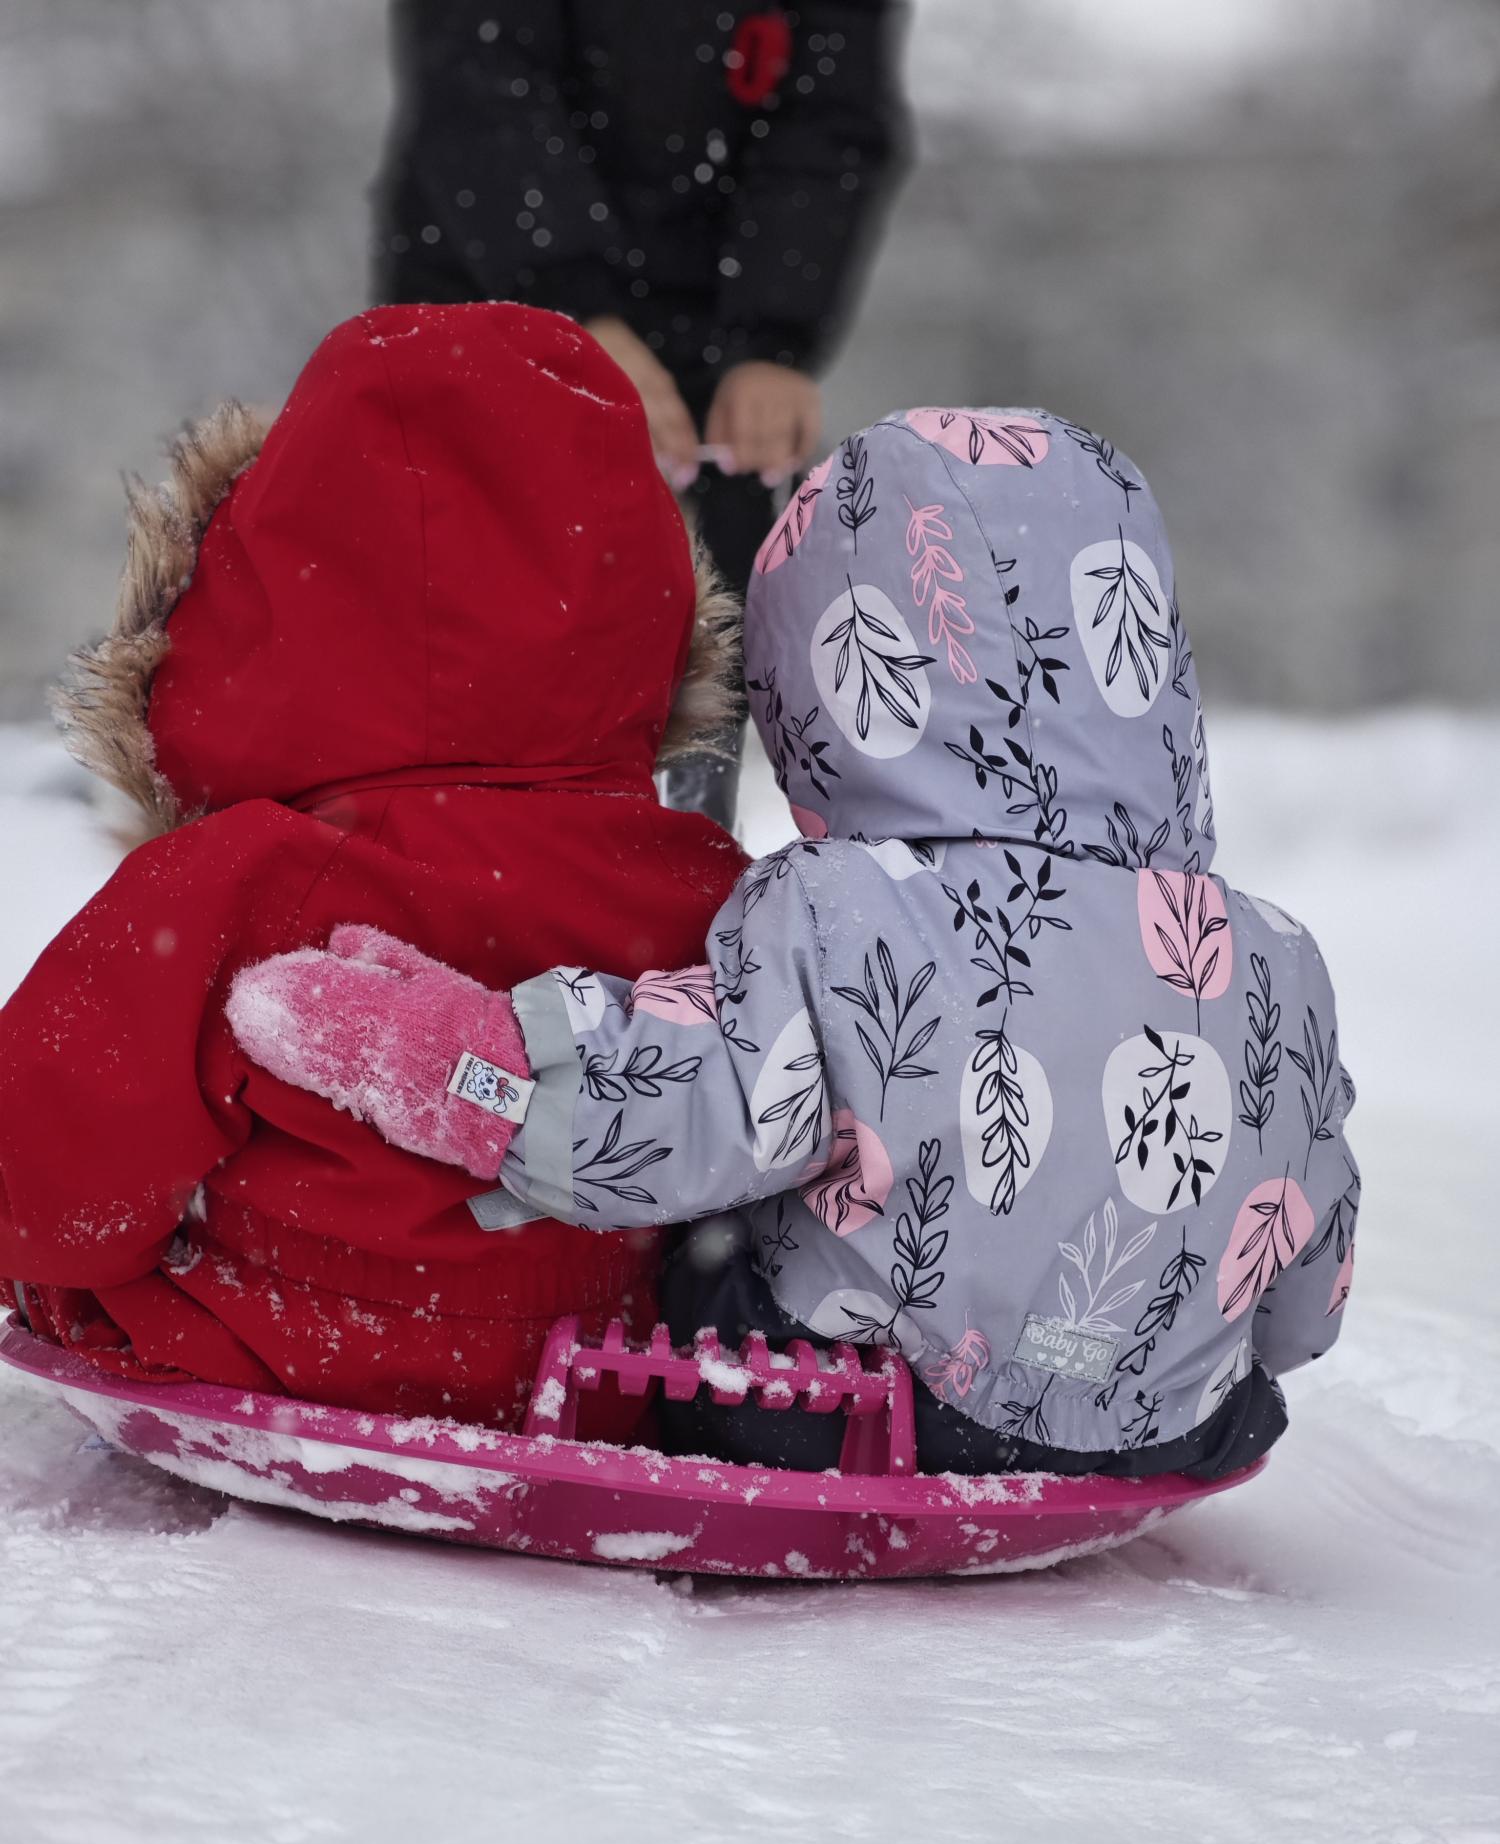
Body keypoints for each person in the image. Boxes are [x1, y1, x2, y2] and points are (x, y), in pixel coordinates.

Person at [229, 408, 1361, 1478]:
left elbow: (661, 1119)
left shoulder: (842, 907)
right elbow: (1307, 1300)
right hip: (1180, 1423)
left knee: (708, 1224)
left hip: (860, 1413)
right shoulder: (1270, 952)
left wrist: (444, 1050)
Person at [0, 303, 746, 1429]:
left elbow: (55, 1185)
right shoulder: (695, 878)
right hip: (591, 1366)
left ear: (262, 585)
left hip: (263, 1347)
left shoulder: (245, 872)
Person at [375, 1, 910, 827]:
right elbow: (483, 83)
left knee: (712, 612)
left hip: (720, 310)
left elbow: (832, 118)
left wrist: (772, 335)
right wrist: (574, 307)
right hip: (488, 279)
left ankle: (683, 857)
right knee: (476, 605)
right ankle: (462, 854)